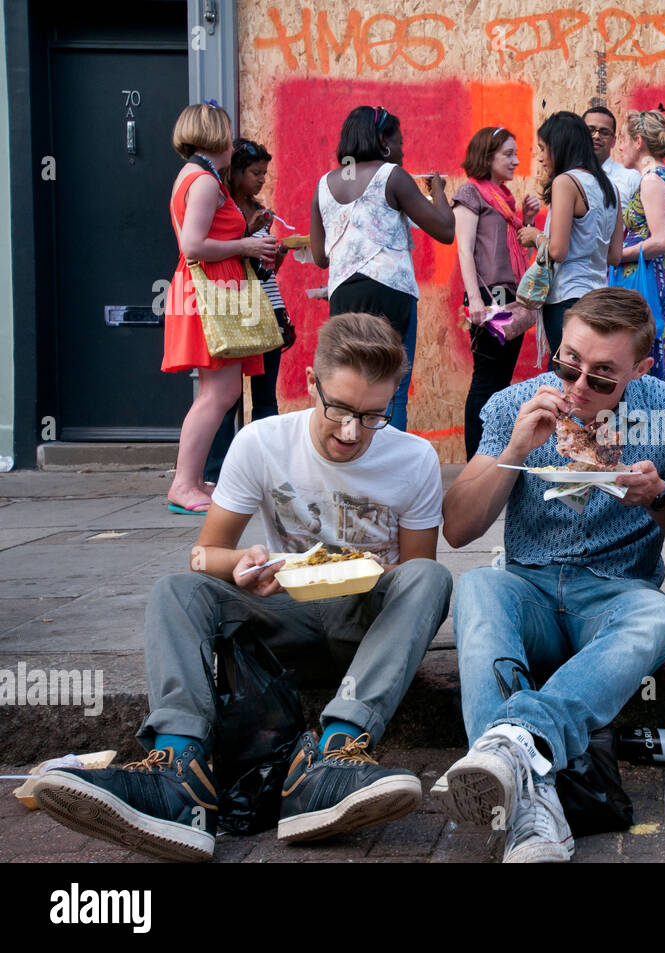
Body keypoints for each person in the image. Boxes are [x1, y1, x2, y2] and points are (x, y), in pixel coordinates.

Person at [31, 313, 454, 862]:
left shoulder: (413, 458)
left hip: (365, 631)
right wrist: (241, 565)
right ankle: (177, 771)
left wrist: (361, 571)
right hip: (284, 617)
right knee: (174, 591)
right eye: (341, 411)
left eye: (374, 416)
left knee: (432, 577)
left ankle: (332, 761)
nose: (352, 433)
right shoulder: (262, 443)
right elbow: (205, 557)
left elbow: (415, 584)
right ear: (311, 386)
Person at [433, 287, 665, 863]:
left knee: (660, 614)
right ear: (553, 346)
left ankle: (515, 761)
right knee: (477, 585)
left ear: (641, 369)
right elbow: (457, 529)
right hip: (528, 586)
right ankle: (532, 777)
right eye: (568, 363)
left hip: (616, 594)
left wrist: (658, 497)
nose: (579, 388)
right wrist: (516, 448)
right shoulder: (513, 405)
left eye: (603, 376)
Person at [162, 103, 279, 515]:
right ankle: (183, 483)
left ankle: (191, 481)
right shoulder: (205, 182)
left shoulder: (196, 176)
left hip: (214, 288)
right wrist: (246, 245)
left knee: (217, 391)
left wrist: (249, 239)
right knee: (219, 392)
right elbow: (192, 246)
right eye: (227, 133)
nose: (232, 142)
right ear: (216, 136)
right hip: (213, 290)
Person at [310, 105, 455, 431]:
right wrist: (439, 193)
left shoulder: (324, 184)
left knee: (349, 386)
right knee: (393, 388)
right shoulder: (393, 176)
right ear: (384, 142)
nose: (403, 151)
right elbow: (445, 231)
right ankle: (388, 471)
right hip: (390, 290)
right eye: (400, 142)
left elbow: (320, 257)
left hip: (343, 295)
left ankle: (350, 461)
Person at [203, 138, 296, 484]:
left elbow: (262, 272)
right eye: (255, 173)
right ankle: (218, 471)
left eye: (264, 173)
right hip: (233, 310)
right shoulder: (222, 210)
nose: (261, 180)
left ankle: (265, 468)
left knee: (265, 397)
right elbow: (221, 259)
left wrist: (277, 254)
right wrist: (249, 235)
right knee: (227, 397)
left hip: (266, 309)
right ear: (237, 171)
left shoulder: (259, 210)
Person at [452, 126, 542, 457]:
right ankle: (477, 458)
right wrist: (475, 300)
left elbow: (514, 250)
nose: (516, 161)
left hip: (508, 296)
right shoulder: (470, 193)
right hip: (488, 298)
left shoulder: (503, 199)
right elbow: (465, 249)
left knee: (499, 382)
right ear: (487, 156)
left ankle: (490, 455)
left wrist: (526, 219)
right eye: (508, 153)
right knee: (487, 381)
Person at [518, 111, 624, 358]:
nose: (541, 158)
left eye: (544, 149)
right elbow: (615, 256)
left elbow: (557, 251)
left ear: (560, 146)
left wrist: (534, 235)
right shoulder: (611, 188)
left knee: (564, 376)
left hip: (566, 299)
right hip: (599, 297)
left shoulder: (566, 182)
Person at [612, 109, 665, 381]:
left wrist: (618, 257)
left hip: (644, 282)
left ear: (638, 141)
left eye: (623, 139)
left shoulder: (653, 179)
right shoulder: (662, 177)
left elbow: (662, 240)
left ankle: (646, 420)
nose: (619, 146)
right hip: (649, 279)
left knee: (642, 356)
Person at [582, 105, 640, 208]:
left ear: (613, 140)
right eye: (591, 130)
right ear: (580, 134)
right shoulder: (568, 176)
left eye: (604, 132)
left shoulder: (630, 178)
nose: (596, 136)